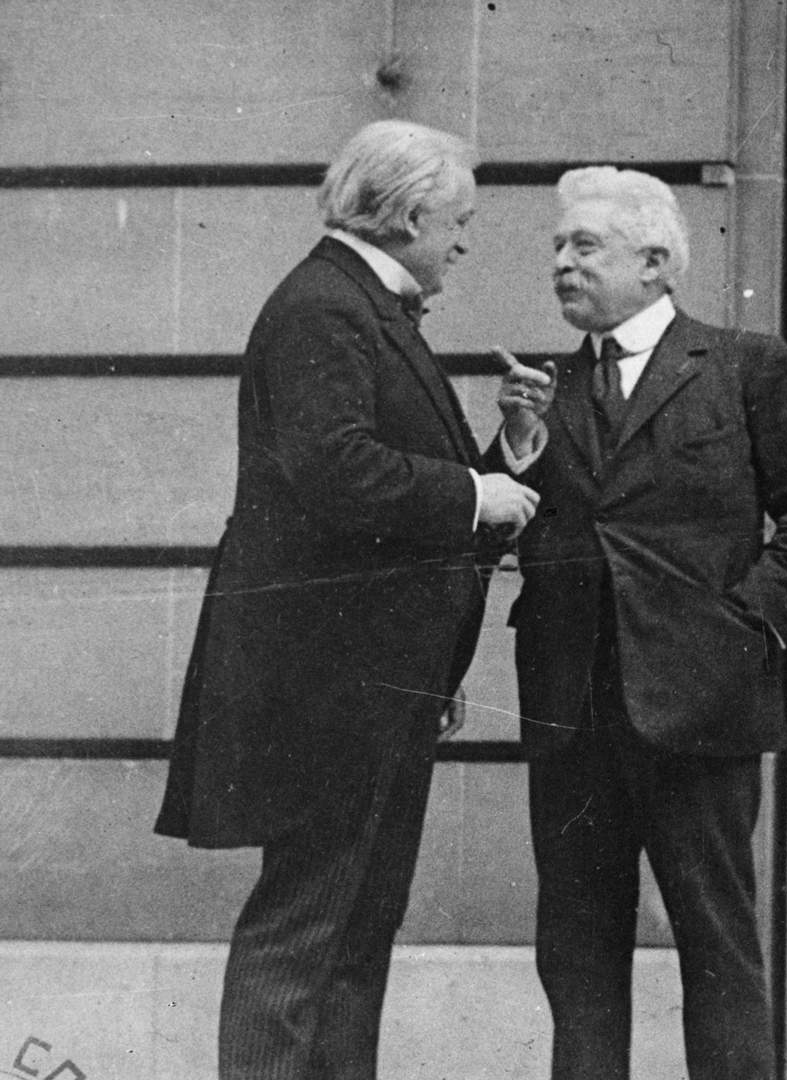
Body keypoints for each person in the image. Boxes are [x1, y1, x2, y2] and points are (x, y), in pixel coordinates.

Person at [155, 119, 541, 1078]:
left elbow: (384, 496)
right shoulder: (327, 309)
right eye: (459, 220)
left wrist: (506, 459)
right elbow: (336, 473)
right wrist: (476, 492)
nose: (464, 239)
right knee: (308, 931)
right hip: (333, 691)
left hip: (368, 686)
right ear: (408, 214)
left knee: (354, 930)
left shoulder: (353, 306)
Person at [490, 167, 787, 1080]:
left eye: (584, 247)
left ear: (655, 263)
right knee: (576, 956)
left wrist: (749, 629)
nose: (561, 265)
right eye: (557, 248)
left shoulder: (744, 365)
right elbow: (510, 519)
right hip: (572, 712)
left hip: (702, 709)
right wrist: (517, 450)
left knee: (719, 949)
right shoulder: (549, 388)